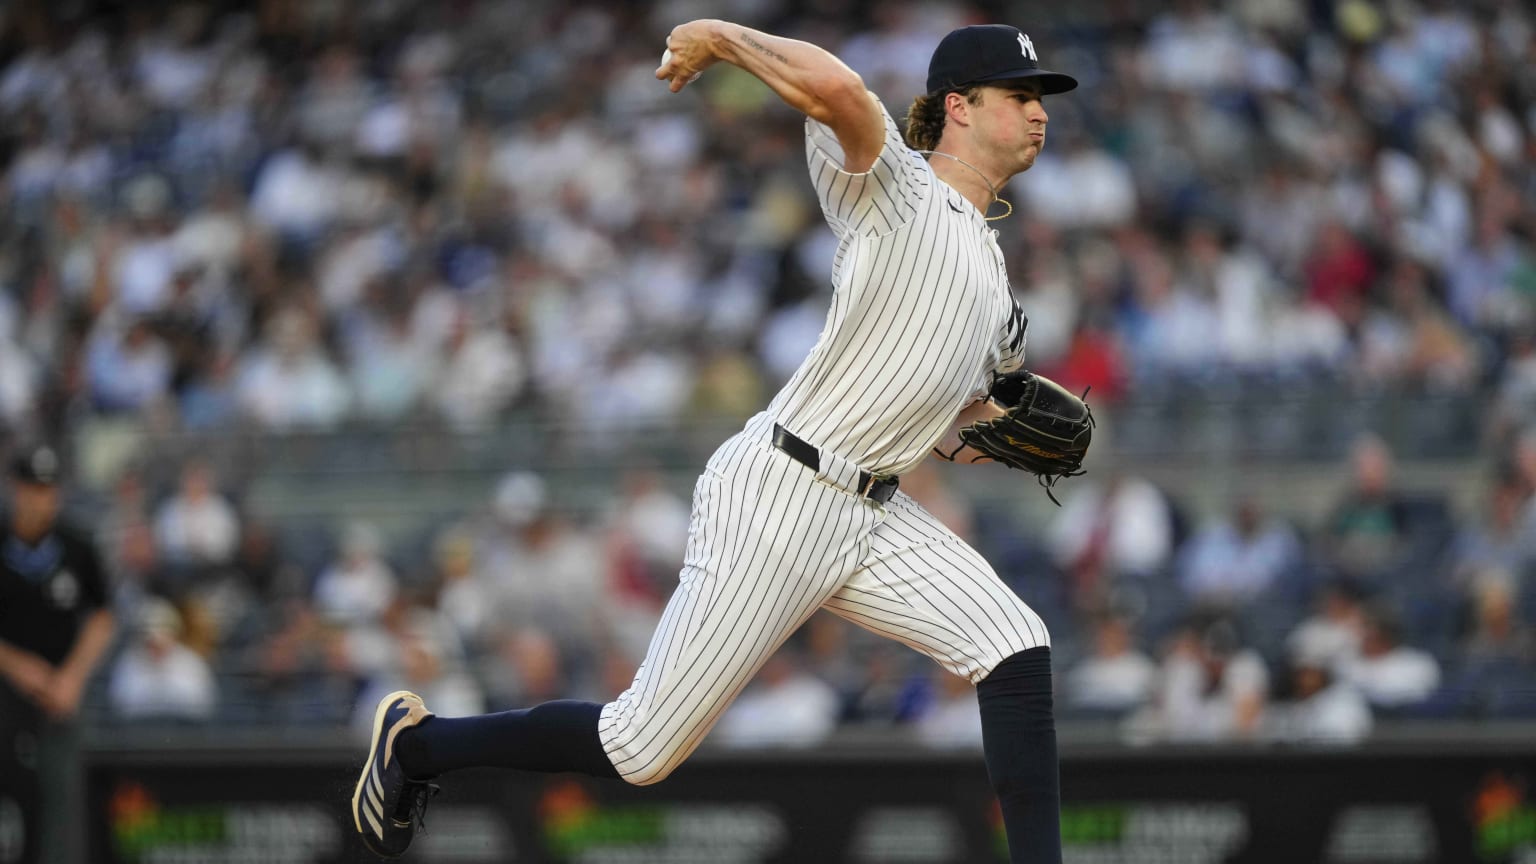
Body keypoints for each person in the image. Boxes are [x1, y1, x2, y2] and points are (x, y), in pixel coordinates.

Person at [353, 20, 1079, 863]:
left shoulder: (997, 285)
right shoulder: (899, 193)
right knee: (640, 748)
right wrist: (721, 37)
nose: (1040, 114)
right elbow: (840, 91)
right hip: (783, 491)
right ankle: (418, 745)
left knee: (1014, 643)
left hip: (876, 514)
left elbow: (977, 398)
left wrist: (1002, 413)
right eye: (1022, 95)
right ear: (959, 104)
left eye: (1043, 100)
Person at [0, 445, 116, 864]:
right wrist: (17, 666)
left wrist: (71, 677)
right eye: (32, 488)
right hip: (6, 692)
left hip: (61, 695)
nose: (40, 499)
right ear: (15, 488)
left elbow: (103, 616)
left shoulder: (76, 545)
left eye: (48, 489)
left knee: (62, 799)